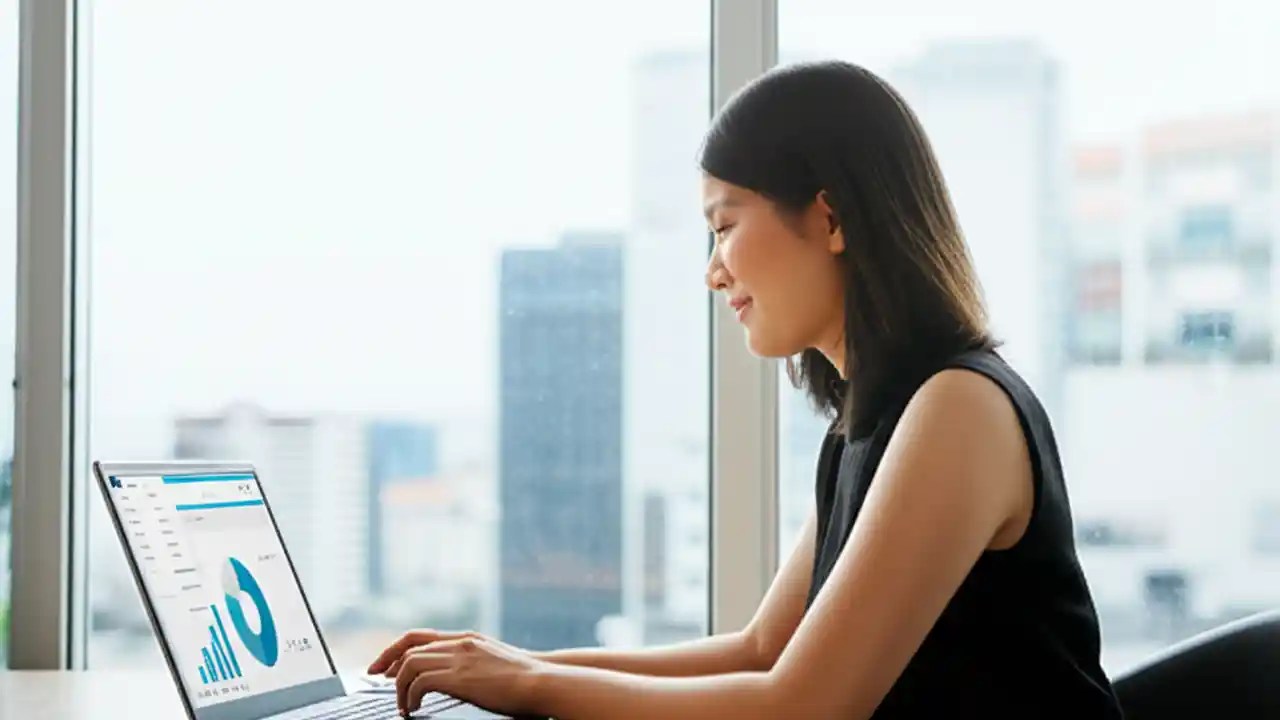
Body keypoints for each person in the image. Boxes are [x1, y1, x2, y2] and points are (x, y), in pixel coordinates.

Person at [367, 60, 1125, 719]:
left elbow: (803, 706)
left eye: (724, 226)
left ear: (830, 218)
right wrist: (516, 666)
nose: (713, 269)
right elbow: (764, 651)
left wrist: (530, 684)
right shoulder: (869, 423)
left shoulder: (957, 409)